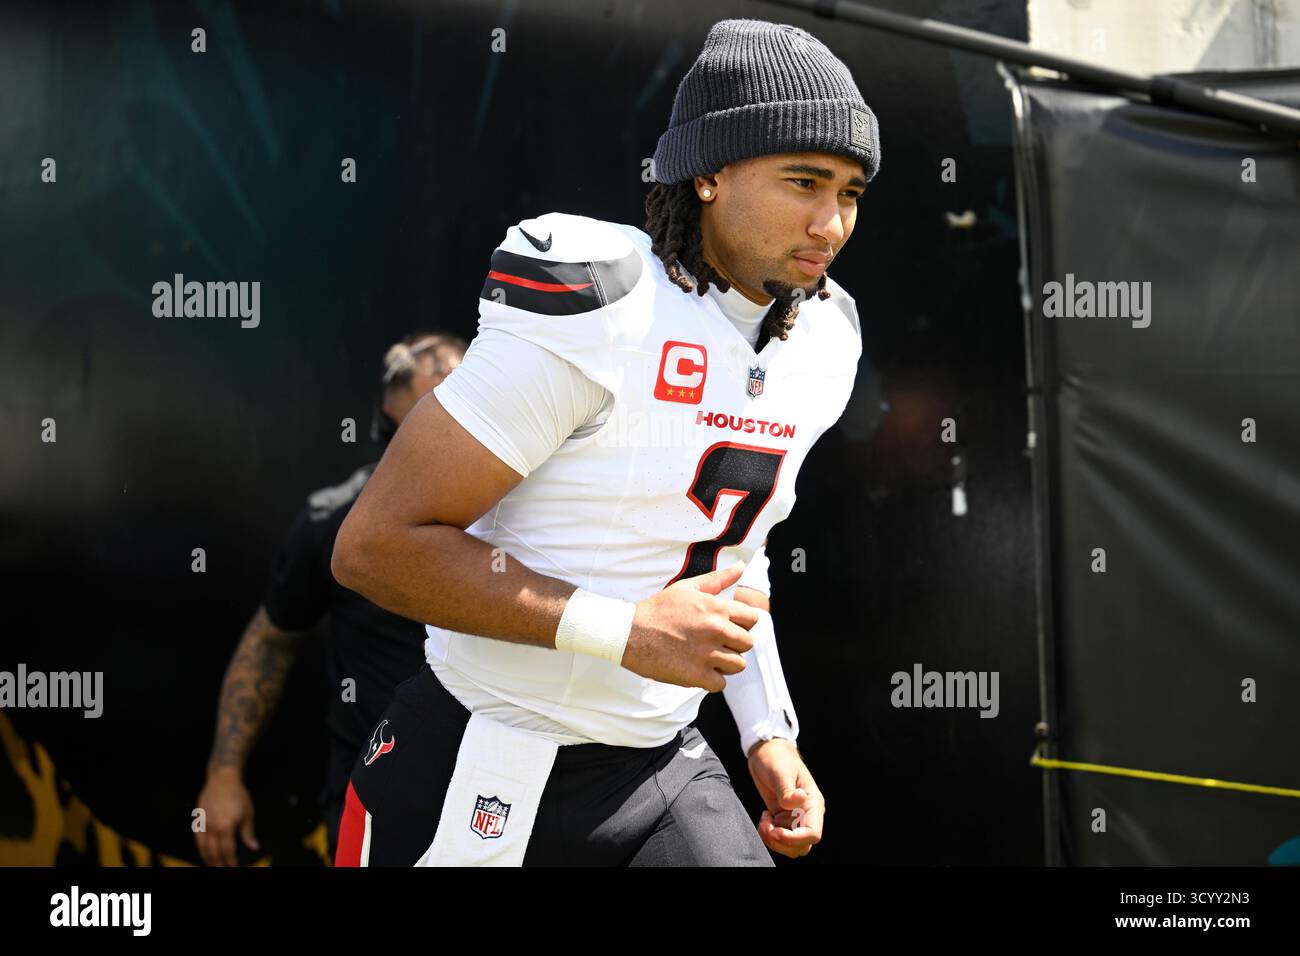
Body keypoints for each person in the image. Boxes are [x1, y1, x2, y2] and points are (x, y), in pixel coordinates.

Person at [331, 17, 879, 866]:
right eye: (803, 181)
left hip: (660, 765)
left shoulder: (825, 339)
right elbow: (374, 548)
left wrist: (767, 731)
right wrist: (622, 629)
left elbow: (731, 553)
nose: (830, 223)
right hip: (489, 749)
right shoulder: (604, 299)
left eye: (849, 191)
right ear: (708, 174)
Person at [194, 331, 467, 866]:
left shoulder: (514, 517)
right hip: (374, 799)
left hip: (494, 795)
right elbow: (270, 641)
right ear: (389, 409)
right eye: (437, 381)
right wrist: (223, 774)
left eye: (467, 382)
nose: (455, 393)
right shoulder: (334, 519)